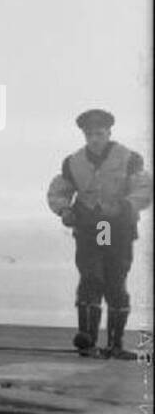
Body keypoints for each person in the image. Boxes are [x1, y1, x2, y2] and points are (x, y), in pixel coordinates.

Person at [47, 109, 151, 359]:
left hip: (118, 230)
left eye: (99, 133)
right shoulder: (72, 162)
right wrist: (63, 210)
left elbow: (144, 188)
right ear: (84, 135)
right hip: (89, 230)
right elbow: (58, 191)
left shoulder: (130, 158)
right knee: (91, 278)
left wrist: (125, 206)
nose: (94, 138)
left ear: (109, 132)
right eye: (89, 134)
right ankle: (87, 342)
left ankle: (116, 345)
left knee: (116, 281)